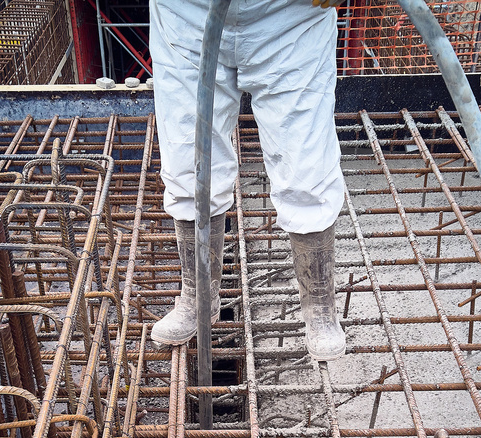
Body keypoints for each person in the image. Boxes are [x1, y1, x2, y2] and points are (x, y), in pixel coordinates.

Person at [148, 0, 347, 361]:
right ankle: (198, 295)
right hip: (188, 13)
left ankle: (320, 305)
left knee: (306, 161)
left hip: (290, 13)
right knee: (189, 158)